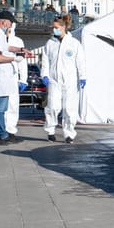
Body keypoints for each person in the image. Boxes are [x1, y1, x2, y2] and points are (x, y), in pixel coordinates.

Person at [0, 10, 28, 145]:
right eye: (9, 24)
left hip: (4, 77)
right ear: (3, 21)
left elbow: (5, 47)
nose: (9, 27)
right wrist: (15, 59)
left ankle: (3, 134)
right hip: (0, 76)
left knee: (2, 109)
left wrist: (20, 50)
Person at [41, 13, 86, 143]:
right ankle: (50, 131)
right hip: (54, 81)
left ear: (63, 27)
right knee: (53, 106)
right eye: (53, 27)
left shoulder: (74, 43)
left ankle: (69, 134)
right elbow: (45, 61)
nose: (53, 29)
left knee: (69, 109)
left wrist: (83, 76)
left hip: (71, 81)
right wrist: (44, 74)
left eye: (56, 27)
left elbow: (80, 61)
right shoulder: (50, 43)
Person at [4, 22, 29, 140]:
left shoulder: (18, 41)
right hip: (0, 76)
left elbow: (22, 61)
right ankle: (1, 130)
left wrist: (23, 79)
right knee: (0, 106)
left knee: (13, 105)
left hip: (13, 76)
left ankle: (11, 131)